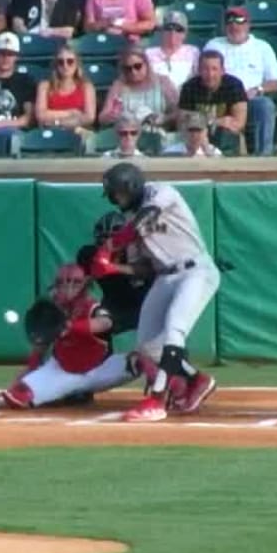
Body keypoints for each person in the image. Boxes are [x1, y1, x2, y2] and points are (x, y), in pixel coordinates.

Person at [92, 162, 220, 422]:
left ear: (131, 186)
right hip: (164, 276)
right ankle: (197, 380)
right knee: (148, 346)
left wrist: (111, 246)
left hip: (194, 271)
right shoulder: (129, 220)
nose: (116, 199)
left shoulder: (161, 192)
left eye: (118, 193)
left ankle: (156, 400)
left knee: (175, 330)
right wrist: (112, 268)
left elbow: (145, 218)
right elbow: (143, 268)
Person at [0, 264, 140, 410]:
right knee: (20, 395)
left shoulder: (92, 307)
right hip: (63, 369)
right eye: (62, 282)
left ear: (84, 284)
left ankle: (159, 395)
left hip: (100, 369)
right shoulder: (52, 310)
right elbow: (41, 344)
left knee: (139, 362)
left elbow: (105, 323)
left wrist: (70, 326)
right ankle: (75, 392)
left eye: (75, 282)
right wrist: (30, 368)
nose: (67, 287)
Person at [205, 6, 277, 156]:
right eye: (230, 21)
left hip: (250, 99)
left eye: (239, 21)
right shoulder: (214, 45)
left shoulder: (262, 47)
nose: (234, 25)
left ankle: (263, 156)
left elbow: (276, 82)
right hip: (221, 98)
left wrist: (258, 89)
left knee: (265, 105)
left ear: (248, 24)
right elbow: (204, 73)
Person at [35, 45, 96, 131]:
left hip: (79, 132)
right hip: (52, 133)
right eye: (60, 62)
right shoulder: (45, 86)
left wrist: (57, 122)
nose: (65, 65)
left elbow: (89, 118)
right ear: (56, 65)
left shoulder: (86, 87)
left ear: (76, 64)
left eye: (70, 61)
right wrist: (72, 113)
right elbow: (41, 115)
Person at [145, 9, 201, 90]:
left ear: (185, 34)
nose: (172, 33)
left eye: (178, 29)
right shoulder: (148, 54)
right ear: (162, 31)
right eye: (168, 28)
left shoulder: (193, 52)